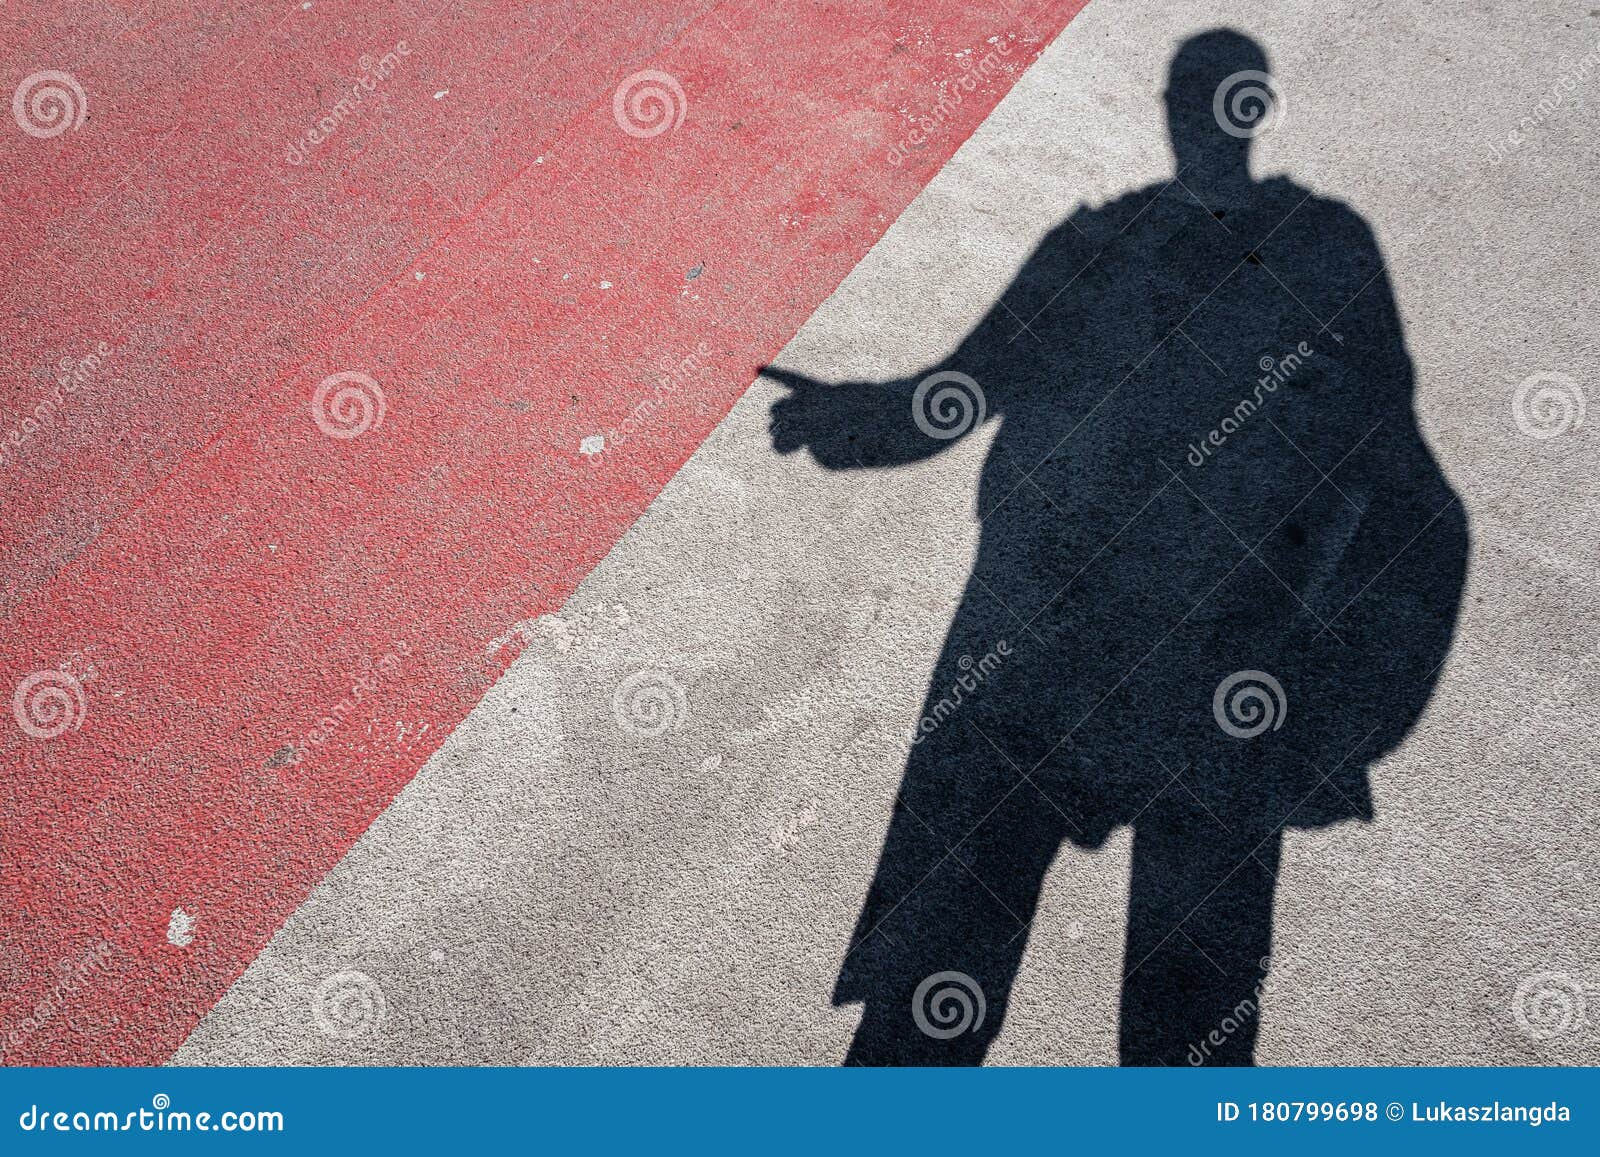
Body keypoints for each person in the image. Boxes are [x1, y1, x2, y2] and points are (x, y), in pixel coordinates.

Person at [764, 28, 1467, 1065]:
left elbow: (1398, 480)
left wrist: (1350, 708)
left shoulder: (1200, 249)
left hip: (1101, 656)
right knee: (1150, 1000)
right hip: (1150, 668)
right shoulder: (1278, 247)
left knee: (1002, 975)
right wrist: (846, 418)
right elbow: (958, 391)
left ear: (1214, 110)